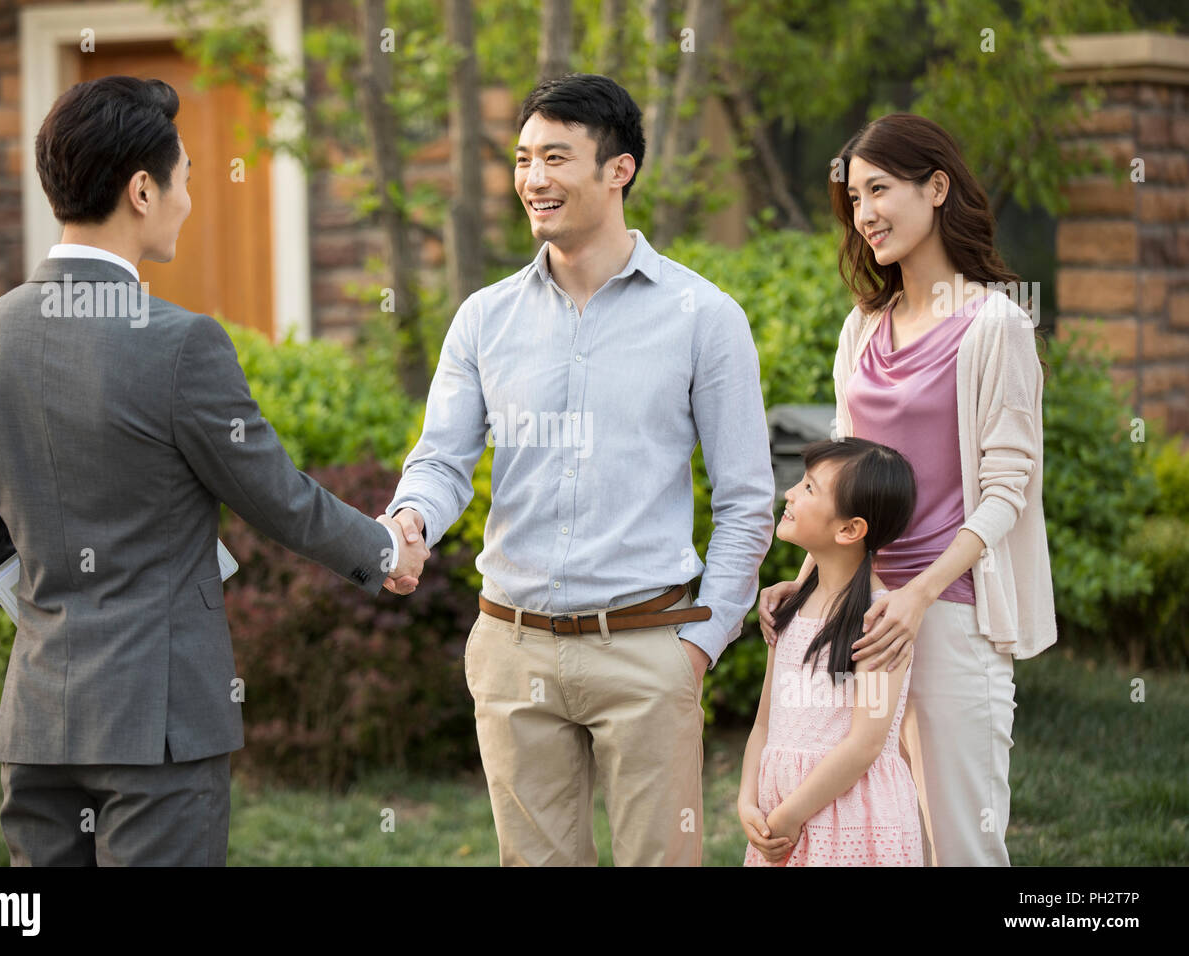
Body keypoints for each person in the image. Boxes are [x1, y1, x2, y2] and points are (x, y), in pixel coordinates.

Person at [0, 76, 427, 866]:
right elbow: (276, 497)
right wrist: (385, 549)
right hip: (157, 730)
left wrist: (61, 609)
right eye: (186, 177)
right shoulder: (179, 343)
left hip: (37, 725)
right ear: (141, 189)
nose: (190, 199)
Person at [383, 72, 774, 866]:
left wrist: (704, 639)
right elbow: (443, 459)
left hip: (647, 644)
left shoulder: (705, 318)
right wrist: (410, 517)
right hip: (511, 645)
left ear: (618, 169)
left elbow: (746, 499)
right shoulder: (484, 318)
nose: (533, 179)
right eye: (524, 159)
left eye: (555, 157)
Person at [758, 113, 1056, 866]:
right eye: (854, 198)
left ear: (937, 187)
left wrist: (919, 594)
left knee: (961, 845)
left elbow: (1005, 490)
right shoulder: (863, 330)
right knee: (882, 837)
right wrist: (800, 587)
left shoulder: (996, 326)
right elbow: (845, 487)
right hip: (858, 617)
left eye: (880, 189)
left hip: (949, 616)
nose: (864, 215)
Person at [740, 438, 922, 866]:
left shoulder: (879, 622)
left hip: (852, 821)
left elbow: (865, 743)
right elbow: (764, 723)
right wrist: (748, 801)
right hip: (780, 819)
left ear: (849, 529)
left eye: (807, 488)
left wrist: (790, 813)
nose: (789, 493)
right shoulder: (789, 610)